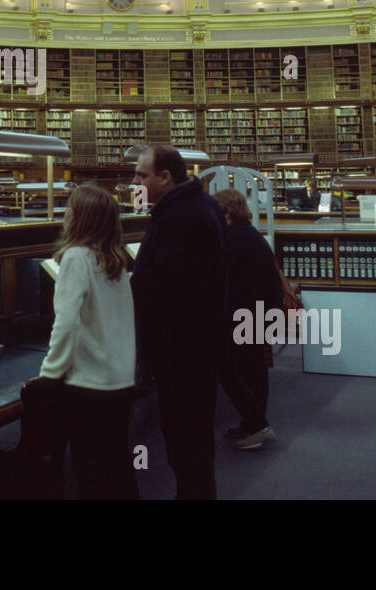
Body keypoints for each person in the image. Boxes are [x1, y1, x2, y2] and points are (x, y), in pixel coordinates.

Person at [130, 145, 227, 499]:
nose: (135, 181)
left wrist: (136, 283)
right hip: (194, 345)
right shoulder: (198, 206)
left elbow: (174, 283)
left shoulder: (181, 216)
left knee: (186, 439)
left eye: (141, 175)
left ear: (165, 177)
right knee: (193, 440)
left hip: (184, 349)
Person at [38, 183, 138, 500]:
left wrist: (50, 373)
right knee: (117, 464)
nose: (65, 213)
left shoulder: (75, 258)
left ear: (82, 218)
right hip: (119, 380)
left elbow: (65, 323)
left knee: (90, 471)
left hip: (88, 384)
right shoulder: (116, 260)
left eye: (70, 208)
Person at [212, 189, 281, 450]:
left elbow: (223, 282)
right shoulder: (251, 235)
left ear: (226, 215)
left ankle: (257, 425)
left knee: (229, 370)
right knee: (254, 370)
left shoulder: (231, 240)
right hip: (261, 312)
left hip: (243, 314)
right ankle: (252, 423)